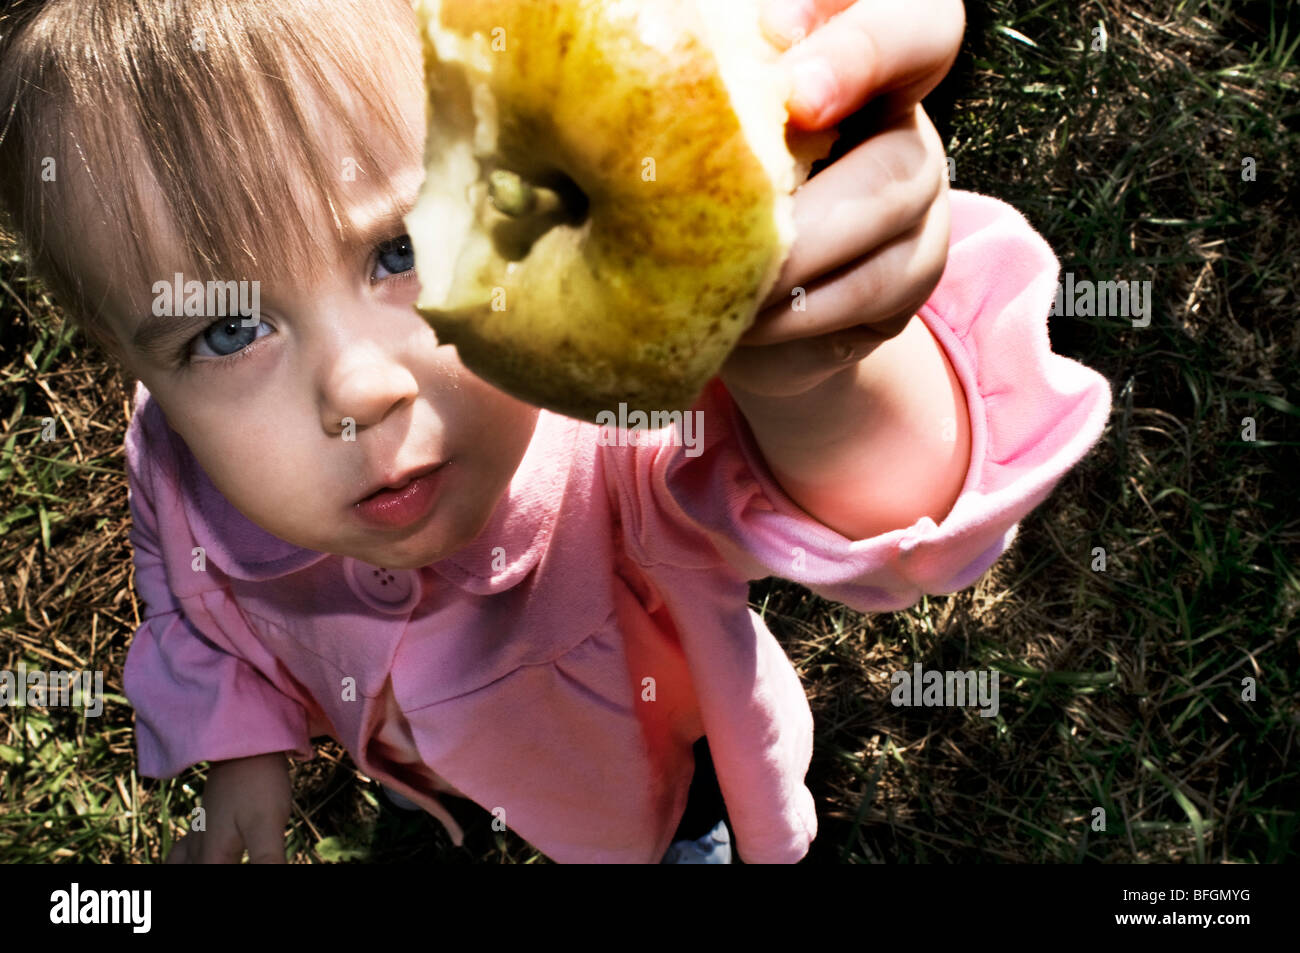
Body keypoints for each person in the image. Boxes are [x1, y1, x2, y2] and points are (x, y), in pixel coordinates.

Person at [0, 0, 1111, 863]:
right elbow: (187, 583)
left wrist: (817, 368)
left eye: (403, 249)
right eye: (229, 327)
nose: (357, 387)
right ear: (129, 357)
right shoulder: (180, 460)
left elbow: (898, 507)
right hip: (400, 749)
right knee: (437, 795)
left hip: (644, 766)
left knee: (671, 829)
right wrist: (240, 743)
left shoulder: (616, 437)